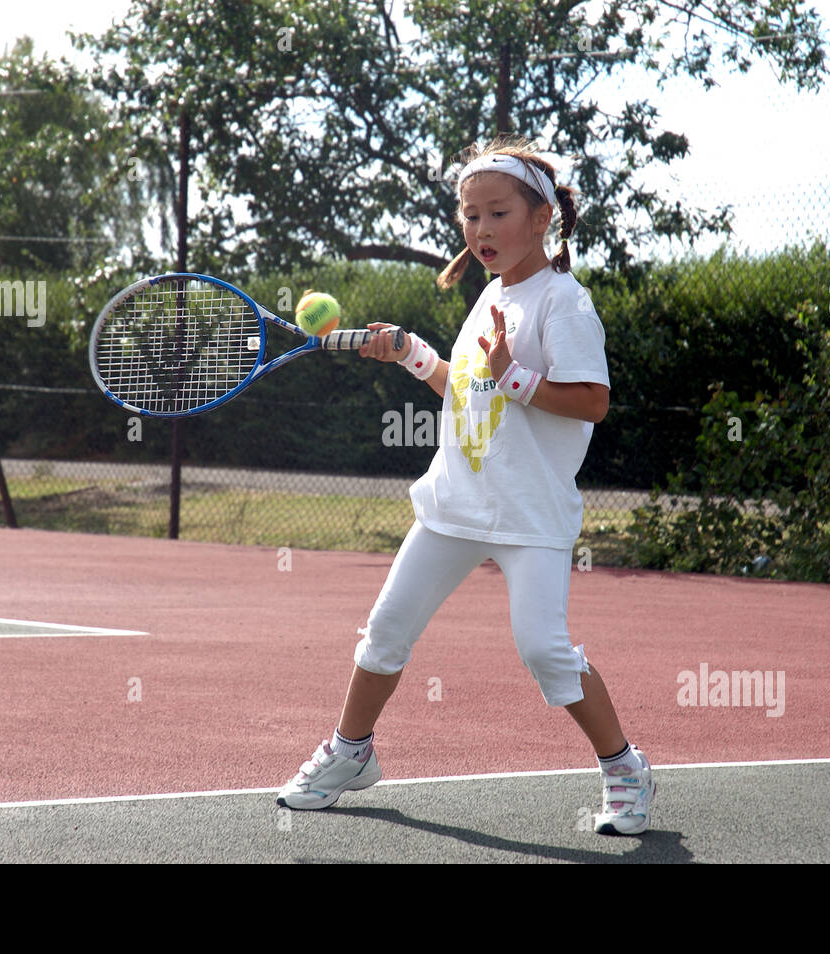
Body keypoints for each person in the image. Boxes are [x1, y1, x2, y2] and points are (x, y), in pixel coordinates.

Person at [276, 136, 654, 835]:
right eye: (469, 215)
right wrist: (414, 354)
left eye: (497, 213)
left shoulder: (564, 302)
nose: (480, 229)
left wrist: (516, 374)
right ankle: (351, 753)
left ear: (541, 219)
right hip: (455, 503)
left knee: (545, 651)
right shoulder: (489, 298)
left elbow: (593, 400)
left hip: (529, 514)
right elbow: (469, 390)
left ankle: (625, 768)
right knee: (385, 631)